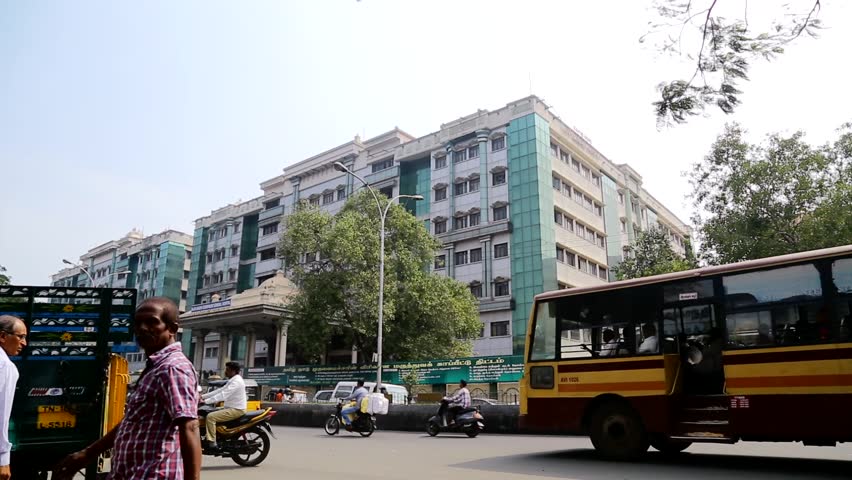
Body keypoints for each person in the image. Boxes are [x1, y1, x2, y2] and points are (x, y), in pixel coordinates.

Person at [53, 298, 201, 480]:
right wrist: (87, 454)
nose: (142, 328)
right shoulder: (155, 366)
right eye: (138, 323)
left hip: (154, 474)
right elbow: (131, 422)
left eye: (152, 322)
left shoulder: (173, 368)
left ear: (172, 329)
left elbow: (190, 426)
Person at [0, 315, 26, 480]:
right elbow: (2, 415)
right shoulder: (5, 367)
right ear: (2, 336)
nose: (24, 343)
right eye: (21, 336)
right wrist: (3, 459)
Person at [200, 361, 246, 451]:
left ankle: (212, 442)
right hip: (230, 407)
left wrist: (205, 401)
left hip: (237, 409)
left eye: (228, 370)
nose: (225, 371)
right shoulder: (233, 379)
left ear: (234, 371)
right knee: (209, 411)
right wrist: (202, 396)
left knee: (211, 417)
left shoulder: (237, 381)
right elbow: (220, 390)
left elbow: (223, 395)